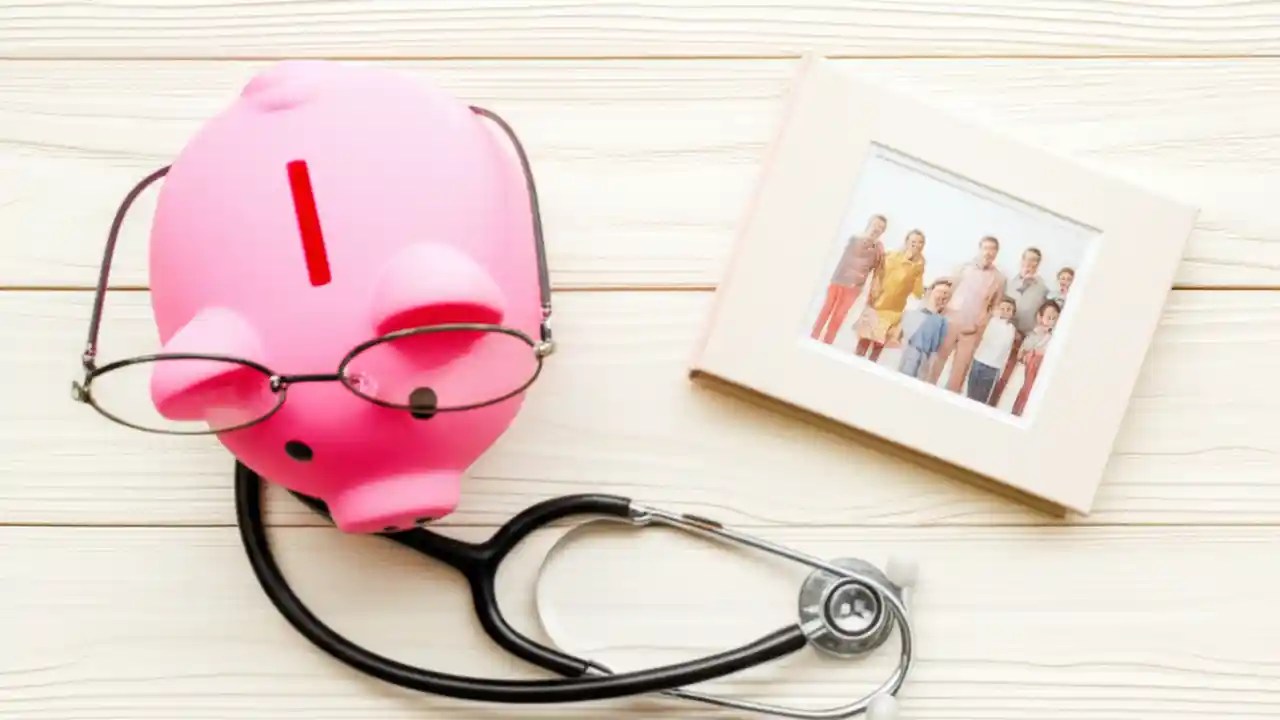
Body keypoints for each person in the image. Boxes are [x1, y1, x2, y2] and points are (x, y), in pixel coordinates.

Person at [928, 236, 1006, 393]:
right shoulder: (962, 268)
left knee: (960, 370)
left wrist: (982, 322)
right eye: (986, 248)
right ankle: (924, 390)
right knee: (936, 362)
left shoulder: (999, 278)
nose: (989, 252)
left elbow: (995, 305)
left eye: (993, 250)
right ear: (979, 249)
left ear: (996, 253)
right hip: (950, 322)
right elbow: (947, 289)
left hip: (972, 330)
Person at [811, 215, 887, 345]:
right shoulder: (854, 239)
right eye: (876, 224)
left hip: (854, 288)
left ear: (883, 232)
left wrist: (873, 292)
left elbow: (878, 271)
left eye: (881, 228)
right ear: (870, 223)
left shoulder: (879, 249)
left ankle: (827, 343)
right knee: (826, 310)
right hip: (838, 281)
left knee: (839, 316)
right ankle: (813, 337)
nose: (877, 229)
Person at [855, 229, 927, 364]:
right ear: (906, 242)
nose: (917, 245)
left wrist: (930, 292)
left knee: (876, 350)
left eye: (920, 242)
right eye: (914, 241)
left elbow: (918, 292)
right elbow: (877, 275)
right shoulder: (890, 256)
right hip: (876, 306)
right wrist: (872, 291)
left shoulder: (919, 266)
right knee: (862, 345)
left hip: (894, 312)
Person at [989, 247, 1048, 407]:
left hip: (1021, 337)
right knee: (992, 367)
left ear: (1038, 263)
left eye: (1034, 260)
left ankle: (993, 404)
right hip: (1002, 332)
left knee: (1006, 375)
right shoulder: (1010, 282)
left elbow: (1042, 315)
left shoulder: (1043, 288)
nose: (1030, 263)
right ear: (1022, 260)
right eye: (1027, 259)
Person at [1012, 300, 1060, 417]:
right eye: (1049, 317)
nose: (1051, 321)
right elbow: (1021, 355)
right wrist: (1031, 353)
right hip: (1028, 372)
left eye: (1055, 318)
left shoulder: (1055, 337)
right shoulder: (1033, 334)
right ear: (1040, 317)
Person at [897, 279, 952, 380]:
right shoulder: (914, 312)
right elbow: (902, 335)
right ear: (930, 292)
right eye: (939, 292)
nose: (942, 296)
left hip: (926, 358)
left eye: (946, 294)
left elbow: (938, 346)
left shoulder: (943, 321)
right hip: (909, 352)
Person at [967, 296, 1017, 403]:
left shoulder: (1011, 329)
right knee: (970, 393)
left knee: (981, 397)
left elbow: (1005, 348)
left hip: (992, 367)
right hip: (978, 360)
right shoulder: (991, 321)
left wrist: (1001, 369)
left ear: (1013, 314)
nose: (1004, 312)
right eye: (1002, 308)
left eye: (1008, 310)